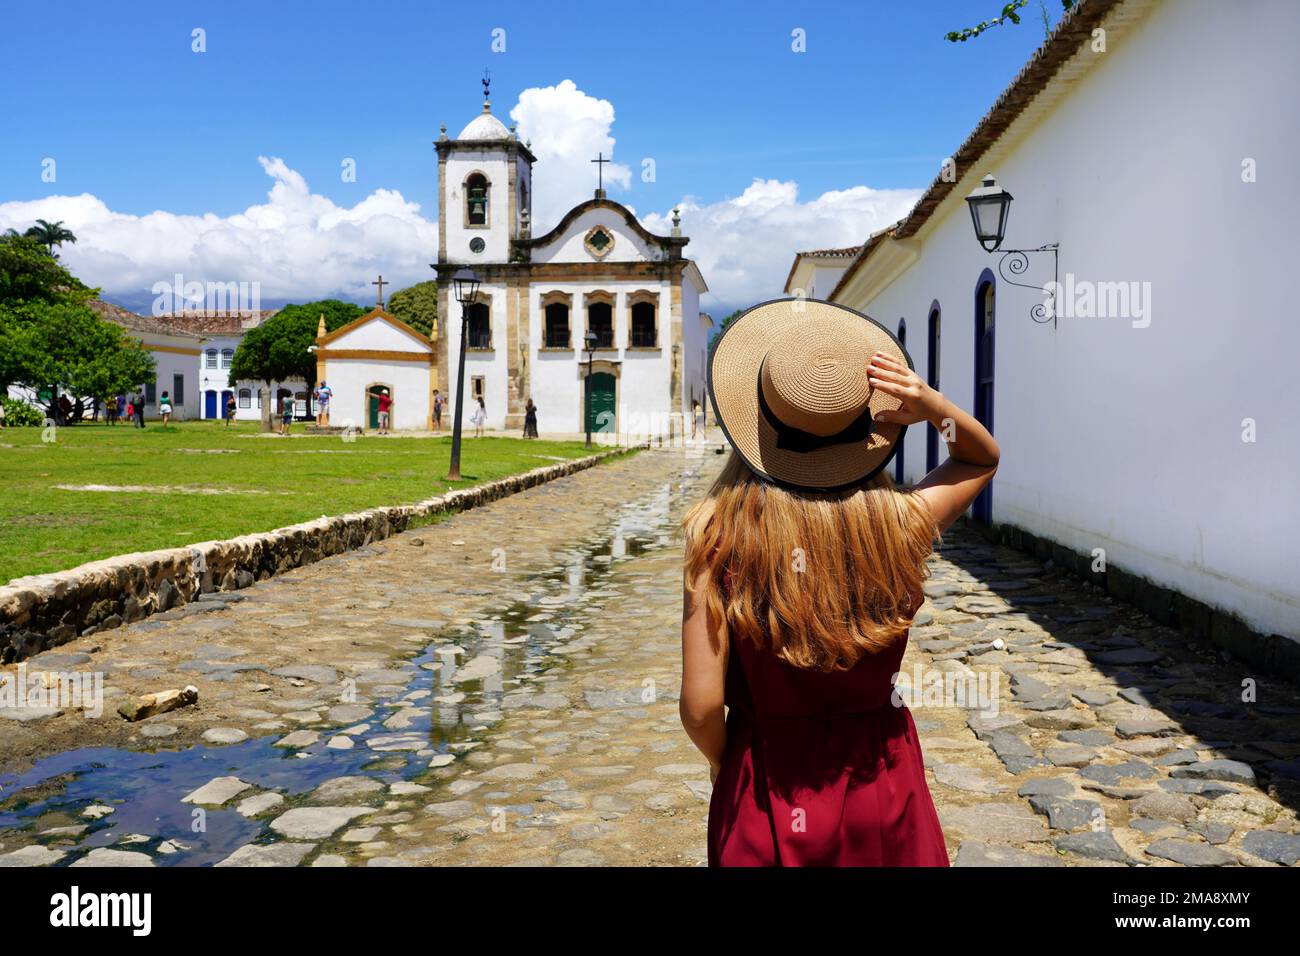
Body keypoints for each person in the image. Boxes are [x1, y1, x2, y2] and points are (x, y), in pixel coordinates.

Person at [679, 300, 999, 867]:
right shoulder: (900, 526)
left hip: (766, 782)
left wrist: (726, 763)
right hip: (880, 777)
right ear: (864, 425)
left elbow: (702, 707)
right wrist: (930, 405)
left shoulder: (717, 539)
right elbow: (979, 459)